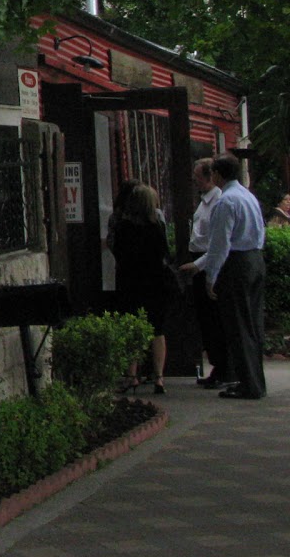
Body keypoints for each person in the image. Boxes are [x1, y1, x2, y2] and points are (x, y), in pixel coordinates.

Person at [181, 154, 267, 399]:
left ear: (218, 175)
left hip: (237, 264)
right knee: (253, 325)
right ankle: (255, 381)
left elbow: (220, 245)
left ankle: (248, 384)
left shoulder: (226, 202)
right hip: (255, 259)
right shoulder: (248, 197)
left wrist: (210, 277)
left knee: (238, 326)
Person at [110, 180, 179, 393]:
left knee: (132, 327)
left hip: (130, 282)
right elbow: (164, 255)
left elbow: (117, 252)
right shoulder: (156, 228)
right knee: (157, 329)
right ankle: (159, 377)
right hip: (156, 282)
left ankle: (132, 375)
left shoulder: (123, 228)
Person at [187, 158, 229, 387]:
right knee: (205, 319)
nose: (195, 181)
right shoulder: (204, 202)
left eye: (198, 177)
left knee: (214, 320)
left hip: (206, 261)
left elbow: (217, 242)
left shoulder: (218, 202)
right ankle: (217, 367)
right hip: (199, 258)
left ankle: (222, 368)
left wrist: (200, 266)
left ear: (210, 176)